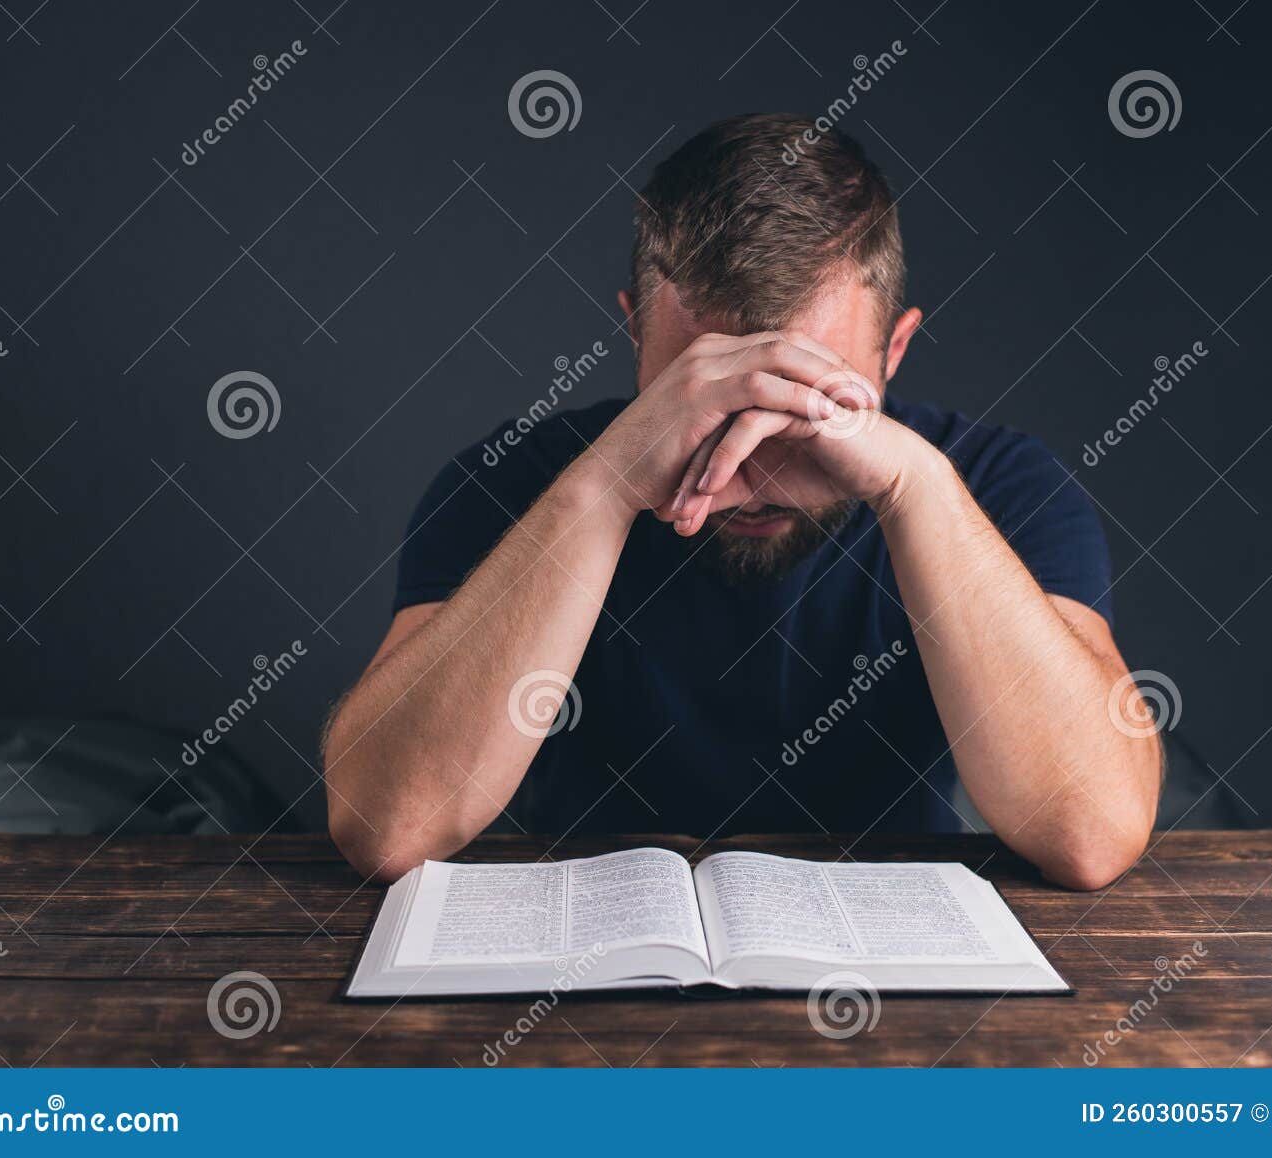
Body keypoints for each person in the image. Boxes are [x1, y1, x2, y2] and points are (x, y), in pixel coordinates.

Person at [323, 113, 1160, 890]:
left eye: (808, 401)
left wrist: (914, 485)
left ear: (895, 350)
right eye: (709, 398)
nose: (748, 469)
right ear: (637, 338)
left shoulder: (998, 483)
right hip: (588, 948)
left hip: (895, 956)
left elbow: (1091, 833)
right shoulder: (515, 480)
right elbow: (390, 827)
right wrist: (604, 488)